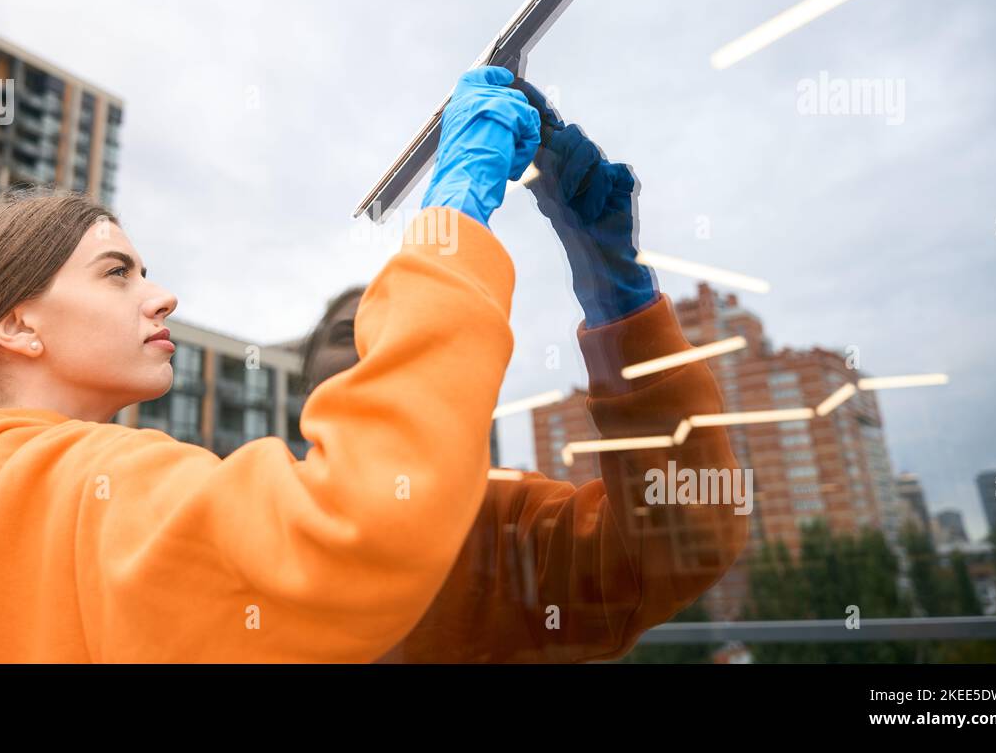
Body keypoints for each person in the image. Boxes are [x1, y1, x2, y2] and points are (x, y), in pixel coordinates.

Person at [0, 65, 559, 663]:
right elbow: (358, 531)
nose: (163, 297)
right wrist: (452, 233)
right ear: (18, 326)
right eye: (118, 272)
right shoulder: (76, 484)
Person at [299, 78, 750, 662]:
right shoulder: (239, 506)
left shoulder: (500, 528)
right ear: (304, 375)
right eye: (347, 333)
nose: (375, 339)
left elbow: (679, 541)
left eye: (386, 323)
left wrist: (623, 304)